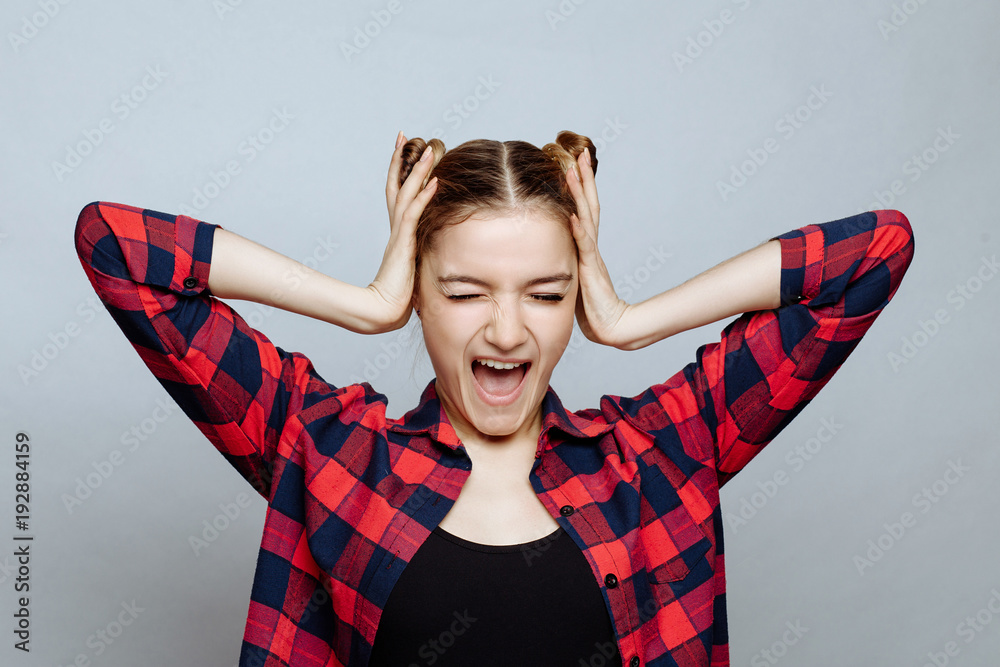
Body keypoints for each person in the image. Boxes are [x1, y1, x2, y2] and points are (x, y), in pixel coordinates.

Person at [74, 129, 915, 667]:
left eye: (547, 295)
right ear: (421, 294)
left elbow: (875, 254)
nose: (508, 331)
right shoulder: (327, 450)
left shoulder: (663, 452)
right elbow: (117, 248)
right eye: (467, 291)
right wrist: (364, 302)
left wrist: (626, 320)